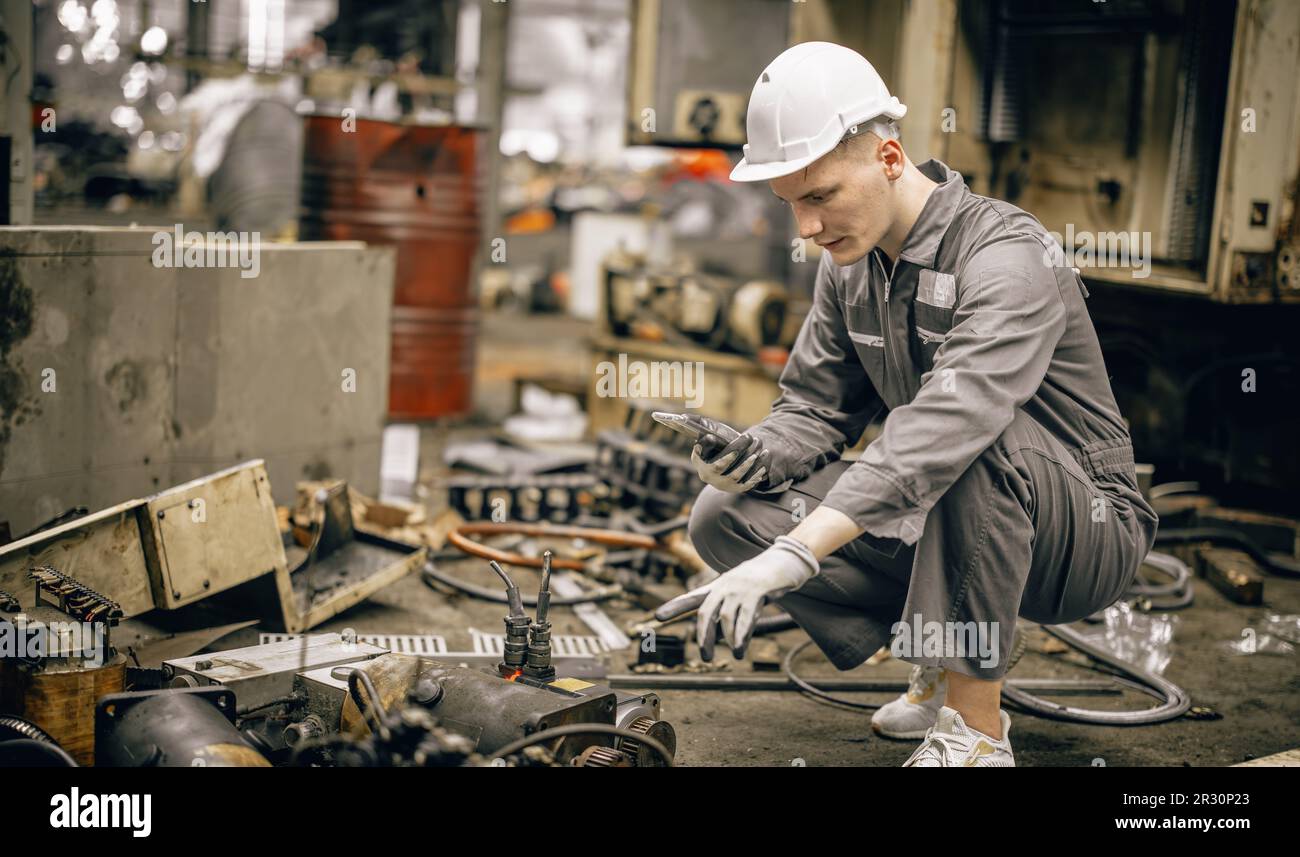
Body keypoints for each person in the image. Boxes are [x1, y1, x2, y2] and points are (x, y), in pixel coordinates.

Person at [655, 41, 1158, 767]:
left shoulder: (1009, 254)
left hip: (1083, 527)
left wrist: (799, 551)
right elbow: (816, 409)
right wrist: (753, 455)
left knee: (974, 439)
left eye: (820, 195)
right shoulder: (849, 266)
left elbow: (955, 419)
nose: (806, 227)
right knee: (727, 516)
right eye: (791, 201)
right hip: (951, 511)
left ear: (890, 159)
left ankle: (978, 732)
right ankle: (942, 657)